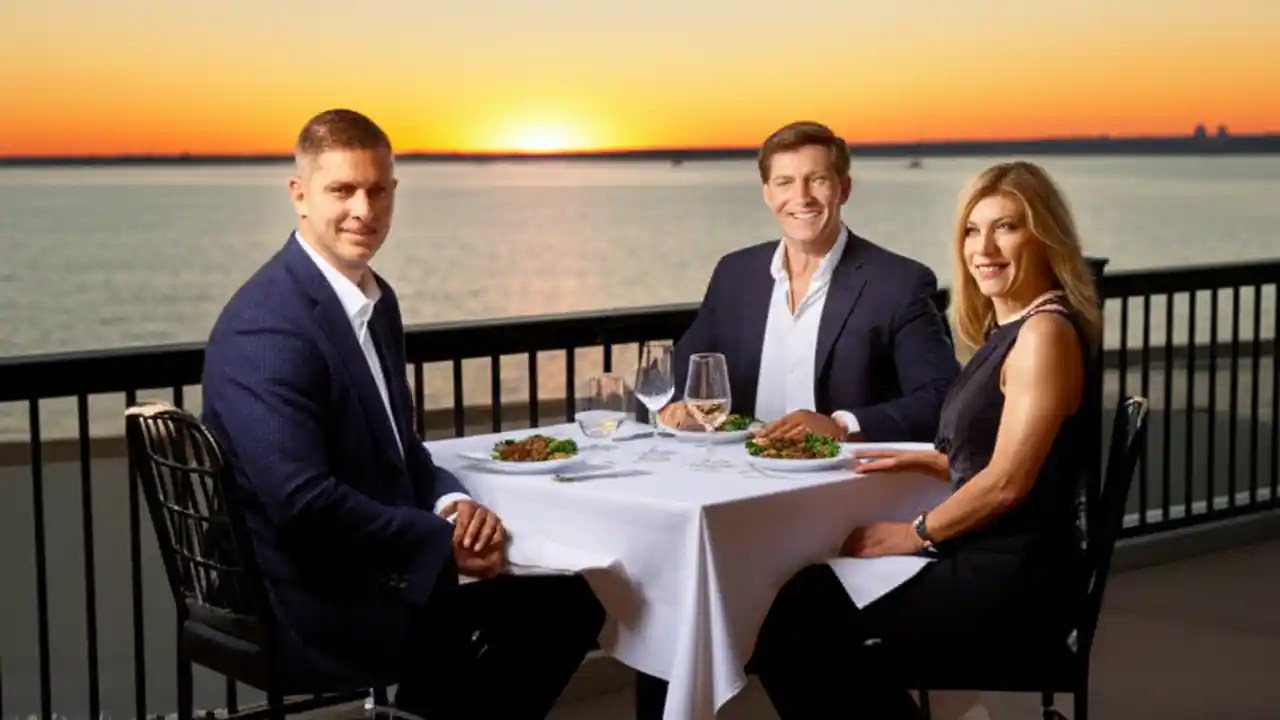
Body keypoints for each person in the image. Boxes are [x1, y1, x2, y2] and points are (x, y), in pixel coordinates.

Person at [201, 108, 604, 718]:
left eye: (378, 190)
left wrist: (450, 506)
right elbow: (300, 502)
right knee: (564, 604)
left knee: (562, 589)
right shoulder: (270, 325)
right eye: (342, 190)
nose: (364, 209)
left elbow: (401, 449)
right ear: (299, 196)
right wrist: (441, 546)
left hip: (353, 568)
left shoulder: (372, 300)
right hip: (303, 597)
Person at [746, 160, 1103, 718]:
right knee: (802, 606)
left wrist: (912, 534)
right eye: (971, 230)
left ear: (1045, 237)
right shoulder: (1010, 330)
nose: (984, 247)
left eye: (1007, 227)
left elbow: (1009, 483)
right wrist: (929, 461)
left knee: (795, 622)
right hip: (989, 555)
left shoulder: (1044, 335)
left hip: (1012, 578)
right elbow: (1010, 454)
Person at [658, 121, 959, 444]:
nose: (801, 198)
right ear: (768, 194)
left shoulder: (898, 284)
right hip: (738, 471)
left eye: (817, 181)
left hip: (843, 481)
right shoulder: (735, 274)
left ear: (844, 189)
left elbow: (943, 398)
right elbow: (678, 376)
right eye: (785, 182)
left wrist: (842, 426)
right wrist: (677, 406)